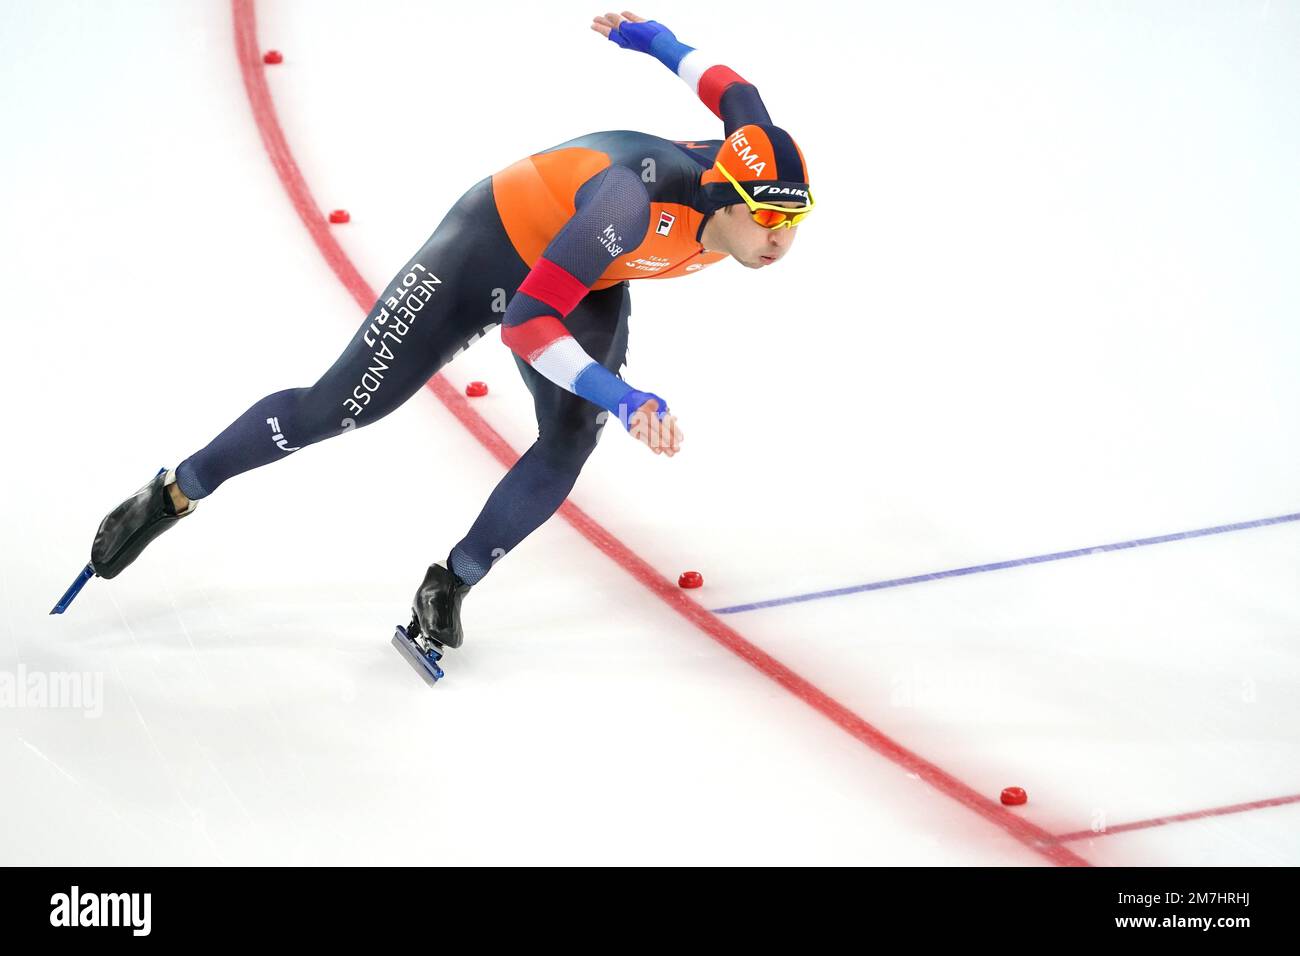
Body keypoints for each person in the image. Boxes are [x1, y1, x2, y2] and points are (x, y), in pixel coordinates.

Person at [83, 11, 815, 679]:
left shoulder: (756, 156)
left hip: (586, 270)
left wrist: (649, 37)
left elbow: (736, 91)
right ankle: (175, 491)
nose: (780, 241)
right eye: (765, 221)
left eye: (794, 222)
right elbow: (528, 327)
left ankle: (452, 580)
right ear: (722, 194)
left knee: (570, 439)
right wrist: (625, 396)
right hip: (490, 247)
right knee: (338, 408)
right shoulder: (631, 202)